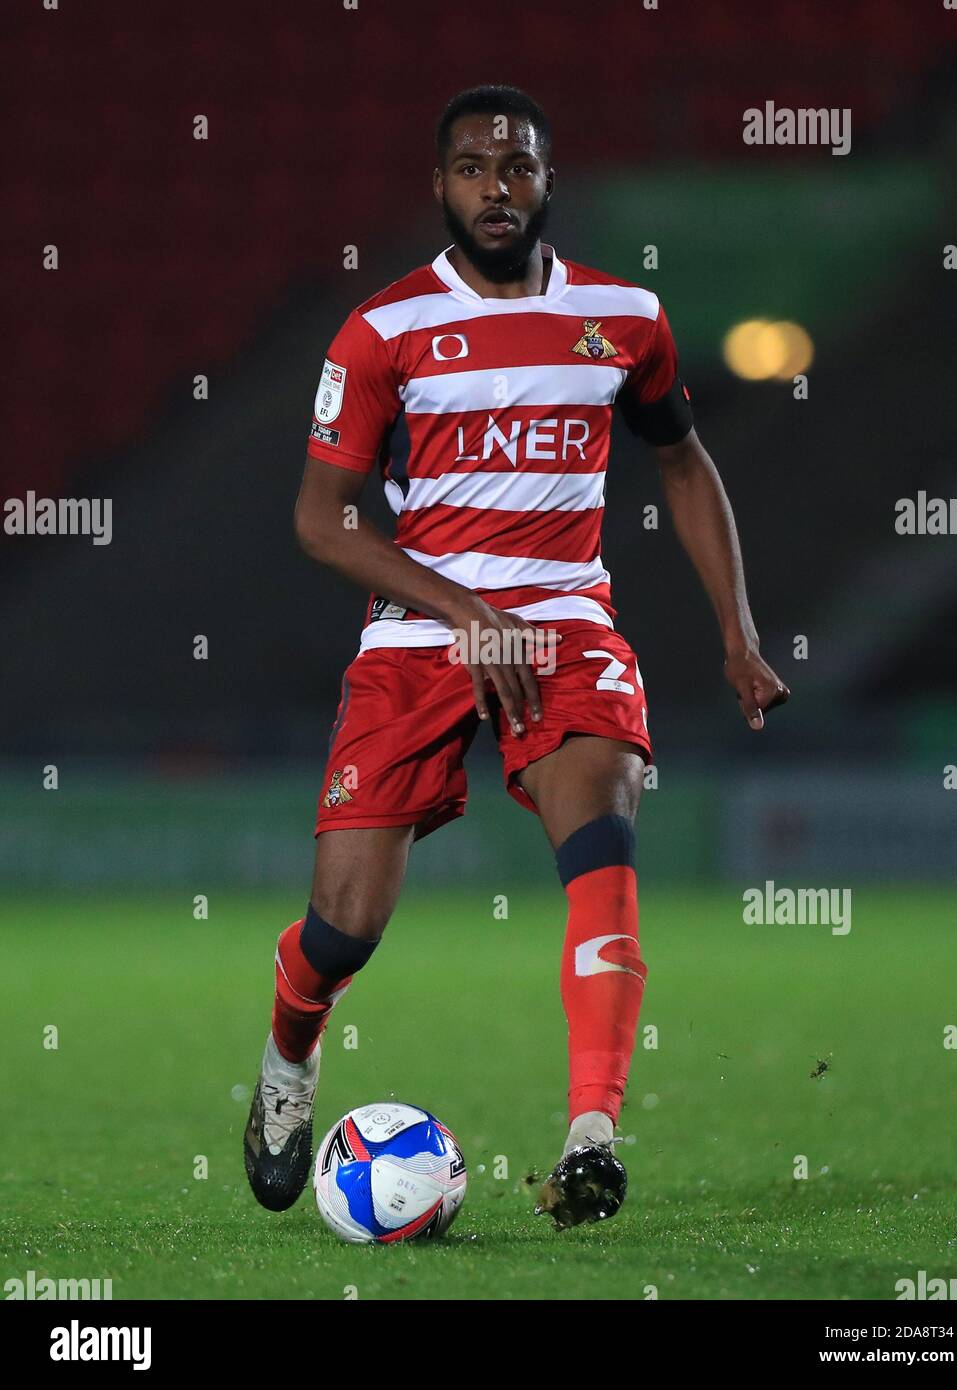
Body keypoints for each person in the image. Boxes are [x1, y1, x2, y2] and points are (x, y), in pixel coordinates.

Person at [243, 84, 789, 1231]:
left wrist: (736, 633)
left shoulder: (623, 317)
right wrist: (460, 609)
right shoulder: (382, 329)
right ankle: (288, 1057)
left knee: (602, 843)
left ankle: (591, 1133)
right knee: (343, 929)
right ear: (438, 186)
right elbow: (320, 519)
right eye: (473, 167)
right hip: (417, 633)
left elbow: (683, 463)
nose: (498, 185)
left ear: (548, 180)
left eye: (519, 164)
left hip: (565, 625)